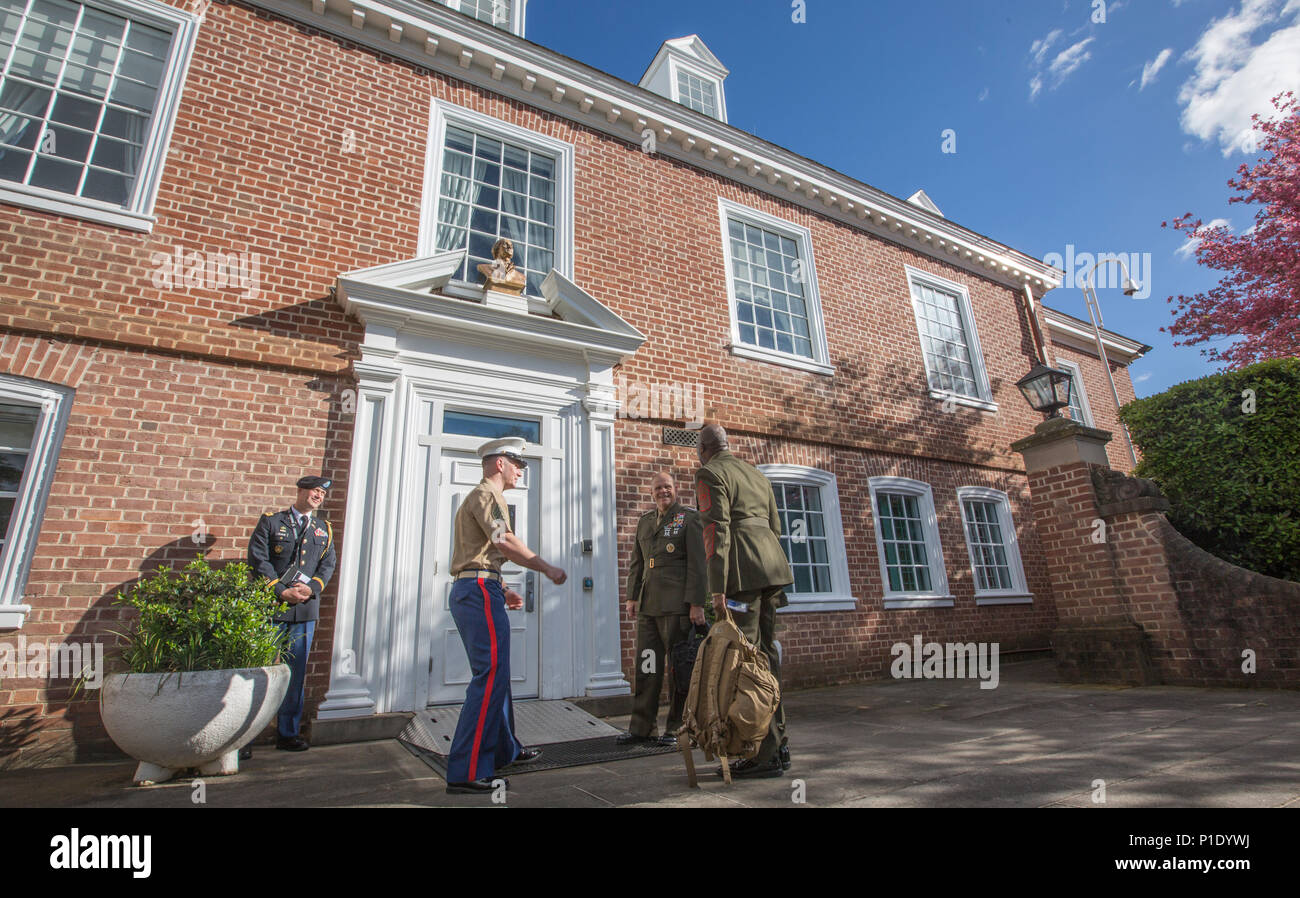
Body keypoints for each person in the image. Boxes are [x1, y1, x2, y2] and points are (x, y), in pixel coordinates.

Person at [444, 437, 567, 794]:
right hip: (477, 592)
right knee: (489, 675)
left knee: (497, 673)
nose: (520, 470)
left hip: (484, 589)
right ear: (500, 463)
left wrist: (502, 587)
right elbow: (503, 541)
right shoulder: (487, 495)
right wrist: (545, 567)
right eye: (517, 463)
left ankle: (503, 749)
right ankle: (466, 770)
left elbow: (483, 553)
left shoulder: (488, 497)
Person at [695, 423, 794, 778]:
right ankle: (778, 747)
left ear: (704, 448)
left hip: (741, 578)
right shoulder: (756, 473)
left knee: (747, 661)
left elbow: (716, 530)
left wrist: (717, 589)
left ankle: (765, 754)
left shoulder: (709, 472)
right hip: (773, 571)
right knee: (768, 657)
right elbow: (776, 527)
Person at [246, 475, 337, 755]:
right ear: (301, 490)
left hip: (303, 611)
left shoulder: (324, 529)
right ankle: (244, 739)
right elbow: (258, 559)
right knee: (258, 672)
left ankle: (288, 732)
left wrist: (310, 590)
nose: (318, 496)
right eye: (314, 490)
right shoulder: (272, 522)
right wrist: (280, 590)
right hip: (272, 608)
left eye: (322, 493)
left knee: (295, 675)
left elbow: (327, 565)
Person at [619, 471, 707, 747]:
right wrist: (632, 597)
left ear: (675, 489)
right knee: (647, 666)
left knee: (679, 669)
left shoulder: (688, 519)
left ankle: (677, 728)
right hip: (648, 607)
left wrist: (696, 603)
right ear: (651, 492)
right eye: (658, 488)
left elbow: (698, 564)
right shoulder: (645, 522)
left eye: (667, 487)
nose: (662, 492)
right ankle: (642, 727)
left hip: (677, 607)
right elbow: (637, 563)